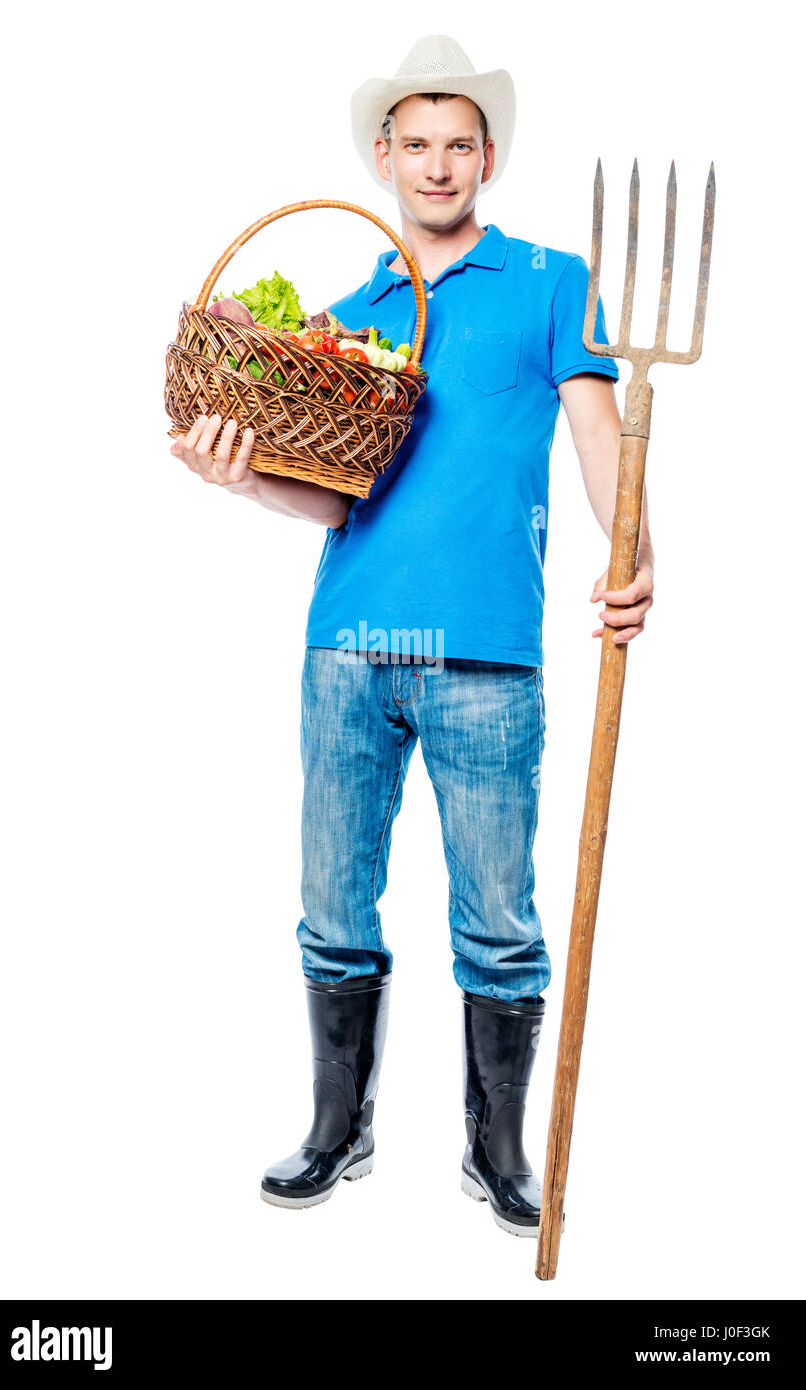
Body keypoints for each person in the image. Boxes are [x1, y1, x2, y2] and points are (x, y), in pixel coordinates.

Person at [170, 34, 654, 1237]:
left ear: (486, 155)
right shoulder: (348, 316)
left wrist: (634, 546)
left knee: (497, 917)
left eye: (458, 144)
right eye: (415, 145)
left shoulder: (551, 281)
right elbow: (333, 496)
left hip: (491, 656)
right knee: (331, 902)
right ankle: (341, 1129)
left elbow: (599, 434)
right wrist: (236, 478)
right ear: (382, 156)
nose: (437, 165)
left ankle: (496, 1150)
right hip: (347, 650)